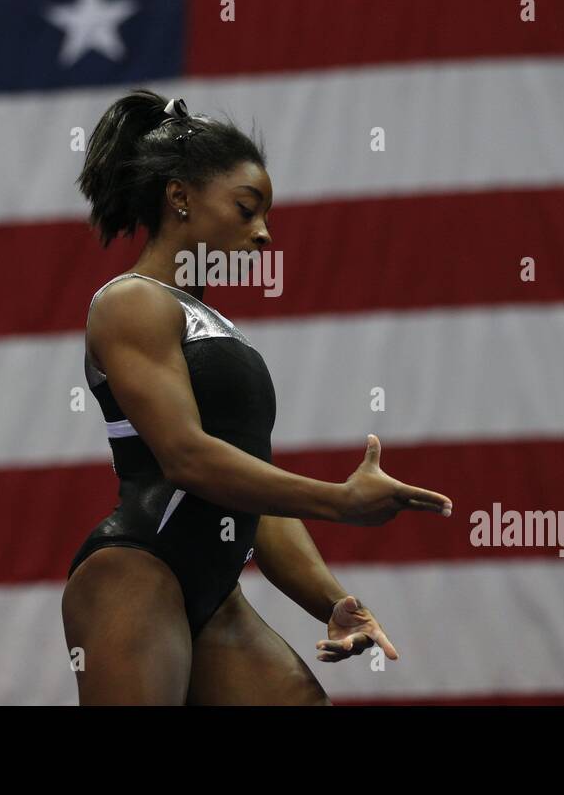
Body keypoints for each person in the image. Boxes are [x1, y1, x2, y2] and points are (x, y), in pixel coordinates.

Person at [61, 89, 453, 705]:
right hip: (138, 570)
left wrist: (332, 601)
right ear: (181, 197)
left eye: (266, 216)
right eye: (247, 210)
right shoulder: (130, 302)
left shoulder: (214, 326)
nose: (264, 234)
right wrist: (341, 501)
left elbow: (256, 494)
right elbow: (187, 460)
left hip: (216, 592)